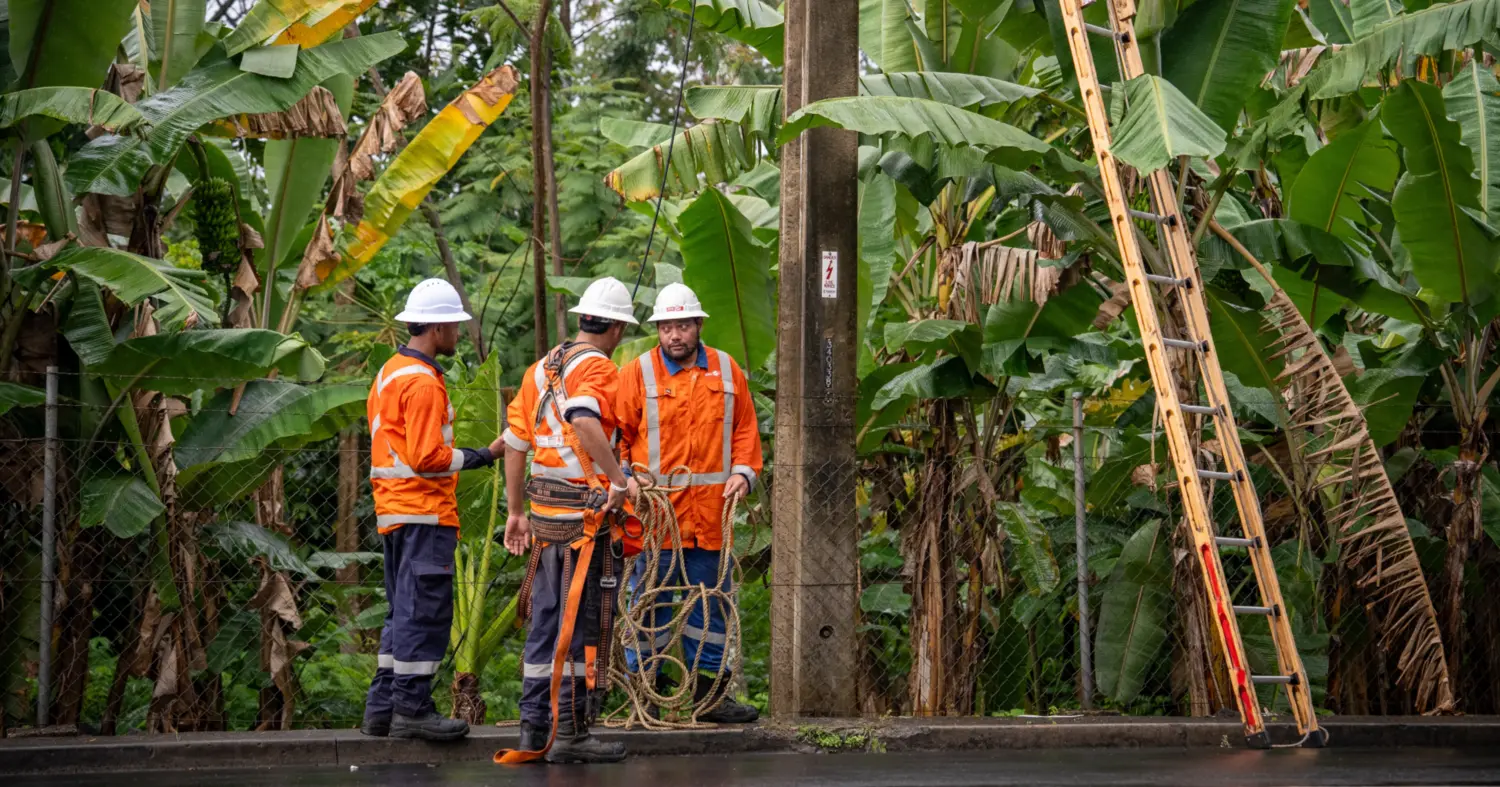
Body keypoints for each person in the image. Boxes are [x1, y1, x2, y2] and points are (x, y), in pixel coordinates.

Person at [496, 278, 636, 765]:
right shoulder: (597, 367)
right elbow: (583, 418)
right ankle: (571, 732)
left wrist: (516, 512)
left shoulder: (541, 369)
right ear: (617, 327)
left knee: (548, 622)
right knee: (581, 628)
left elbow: (515, 445)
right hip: (585, 520)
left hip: (545, 517)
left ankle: (535, 726)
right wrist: (618, 480)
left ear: (583, 319)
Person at [362, 279, 506, 741]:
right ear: (438, 326)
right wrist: (486, 453)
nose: (458, 335)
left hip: (395, 514)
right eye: (455, 326)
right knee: (422, 613)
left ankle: (381, 709)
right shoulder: (422, 383)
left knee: (401, 613)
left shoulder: (389, 372)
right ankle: (412, 710)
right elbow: (428, 458)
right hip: (424, 514)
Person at [616, 282, 763, 724]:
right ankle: (648, 695)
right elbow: (616, 438)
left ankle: (709, 698)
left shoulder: (726, 369)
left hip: (708, 521)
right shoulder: (637, 373)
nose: (674, 335)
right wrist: (625, 478)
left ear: (698, 325)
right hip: (655, 523)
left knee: (710, 606)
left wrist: (742, 472)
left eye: (682, 325)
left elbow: (744, 430)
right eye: (666, 327)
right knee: (649, 607)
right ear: (658, 330)